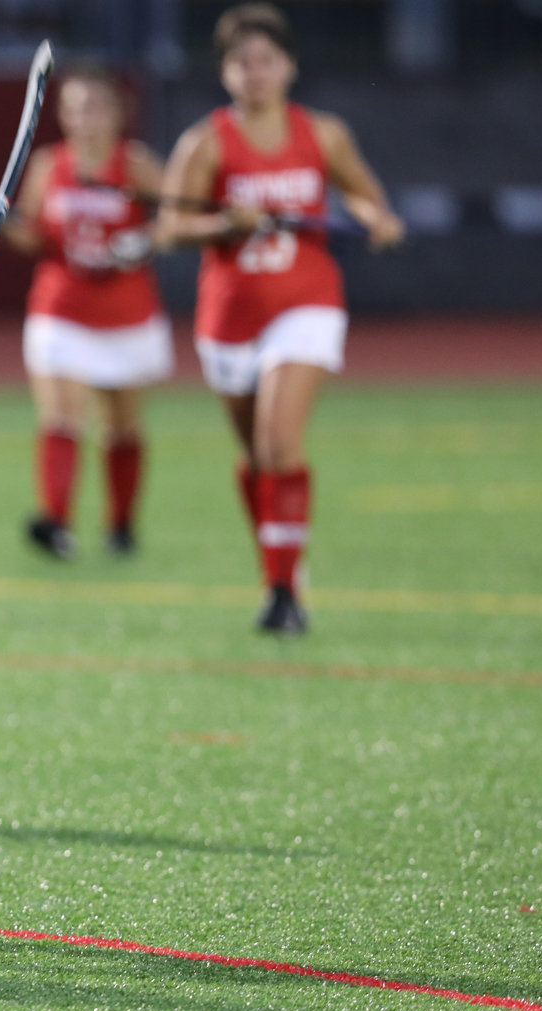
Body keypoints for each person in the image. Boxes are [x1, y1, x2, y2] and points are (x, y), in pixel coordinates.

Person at [158, 3, 403, 633]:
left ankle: (284, 593)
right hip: (230, 317)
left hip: (307, 305)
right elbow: (170, 228)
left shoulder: (322, 133)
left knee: (280, 442)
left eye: (266, 60)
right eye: (242, 63)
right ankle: (279, 570)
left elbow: (366, 194)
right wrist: (221, 222)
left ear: (289, 67)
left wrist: (376, 218)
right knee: (255, 456)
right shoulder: (206, 142)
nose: (255, 73)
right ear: (226, 73)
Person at [0, 67, 169, 559]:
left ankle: (120, 524)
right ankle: (56, 522)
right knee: (60, 417)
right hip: (61, 310)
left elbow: (176, 220)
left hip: (127, 314)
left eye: (94, 105)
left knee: (122, 428)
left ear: (118, 112)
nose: (82, 117)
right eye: (72, 107)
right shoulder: (51, 165)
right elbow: (34, 236)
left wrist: (148, 240)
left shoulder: (135, 165)